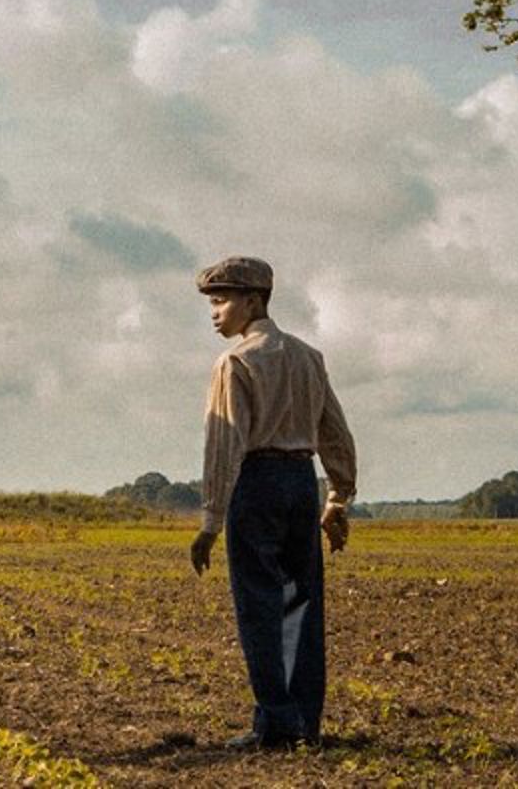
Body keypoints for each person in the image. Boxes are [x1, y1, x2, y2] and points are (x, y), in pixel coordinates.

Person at [185, 255, 358, 749]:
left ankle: (276, 723)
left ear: (253, 302)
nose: (214, 312)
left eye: (221, 301)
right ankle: (306, 720)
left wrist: (210, 519)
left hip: (256, 483)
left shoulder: (235, 362)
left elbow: (225, 444)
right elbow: (336, 434)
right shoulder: (309, 357)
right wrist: (337, 497)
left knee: (260, 605)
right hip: (301, 482)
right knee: (302, 603)